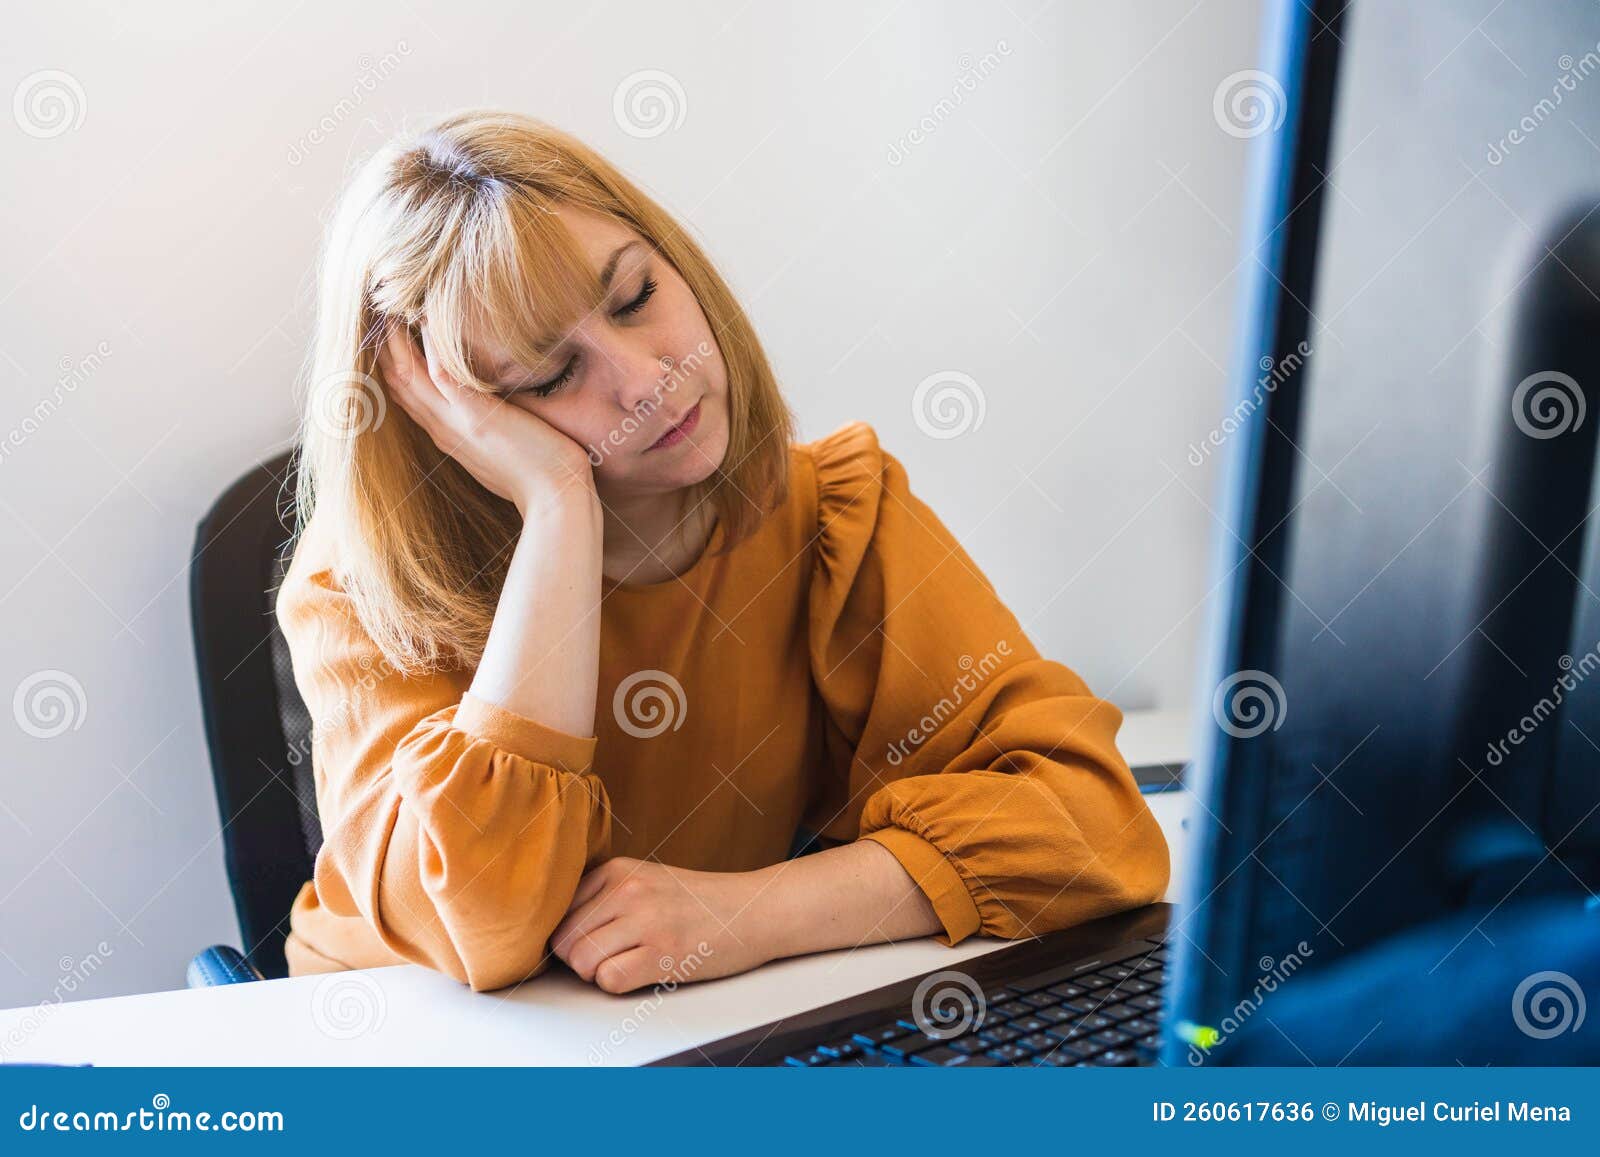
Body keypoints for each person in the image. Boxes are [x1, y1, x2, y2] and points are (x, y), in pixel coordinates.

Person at [278, 109, 1169, 994]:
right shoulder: (359, 592)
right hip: (394, 1041)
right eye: (551, 375)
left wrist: (751, 914)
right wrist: (558, 508)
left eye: (635, 297)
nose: (645, 379)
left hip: (689, 1023)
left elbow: (1094, 825)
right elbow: (489, 925)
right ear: (453, 423)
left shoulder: (834, 514)